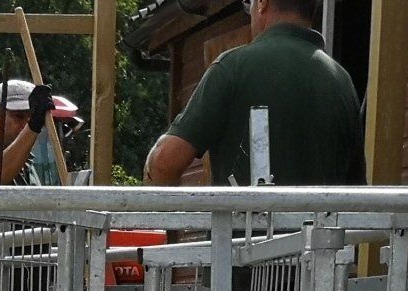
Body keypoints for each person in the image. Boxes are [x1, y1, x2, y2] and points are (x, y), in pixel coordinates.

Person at [142, 0, 364, 188]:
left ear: (263, 3)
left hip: (242, 227)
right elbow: (356, 192)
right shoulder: (342, 82)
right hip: (320, 228)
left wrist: (174, 216)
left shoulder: (233, 67)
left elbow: (163, 162)